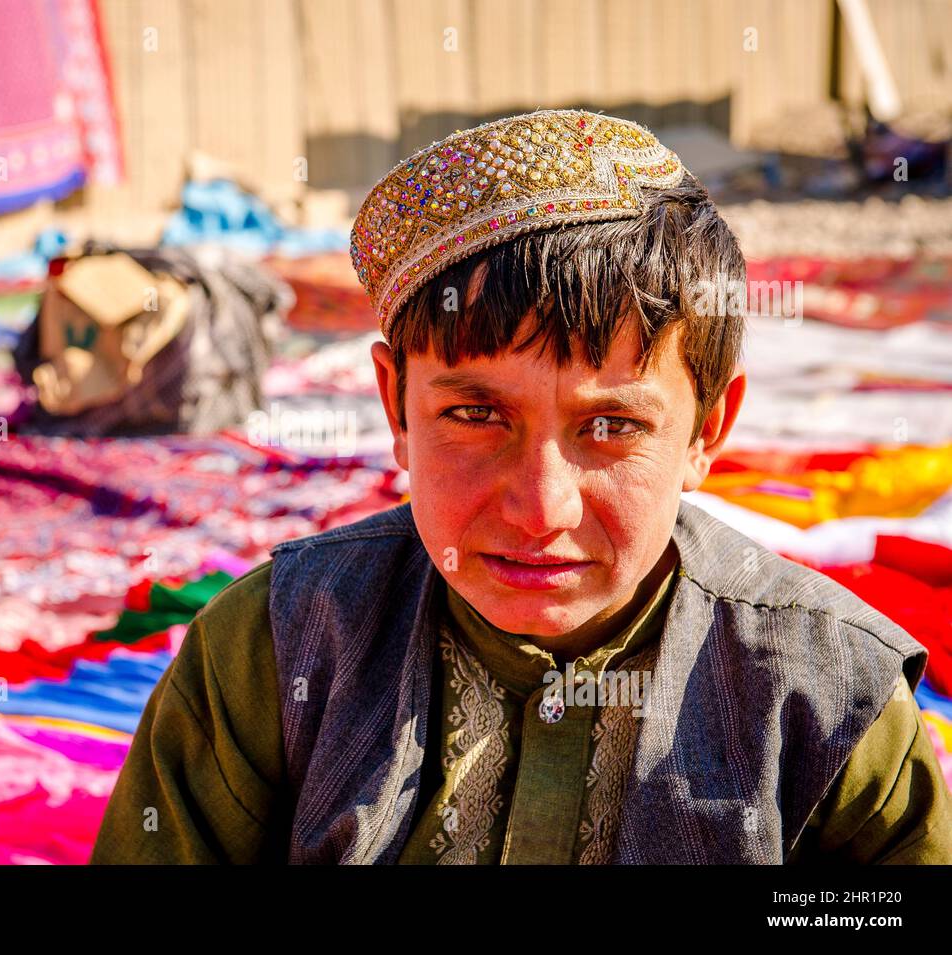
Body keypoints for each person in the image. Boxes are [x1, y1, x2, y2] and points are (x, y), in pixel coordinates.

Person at [90, 109, 952, 864]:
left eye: (610, 427)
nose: (542, 508)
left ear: (707, 431)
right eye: (475, 413)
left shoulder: (829, 696)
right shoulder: (270, 654)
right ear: (395, 402)